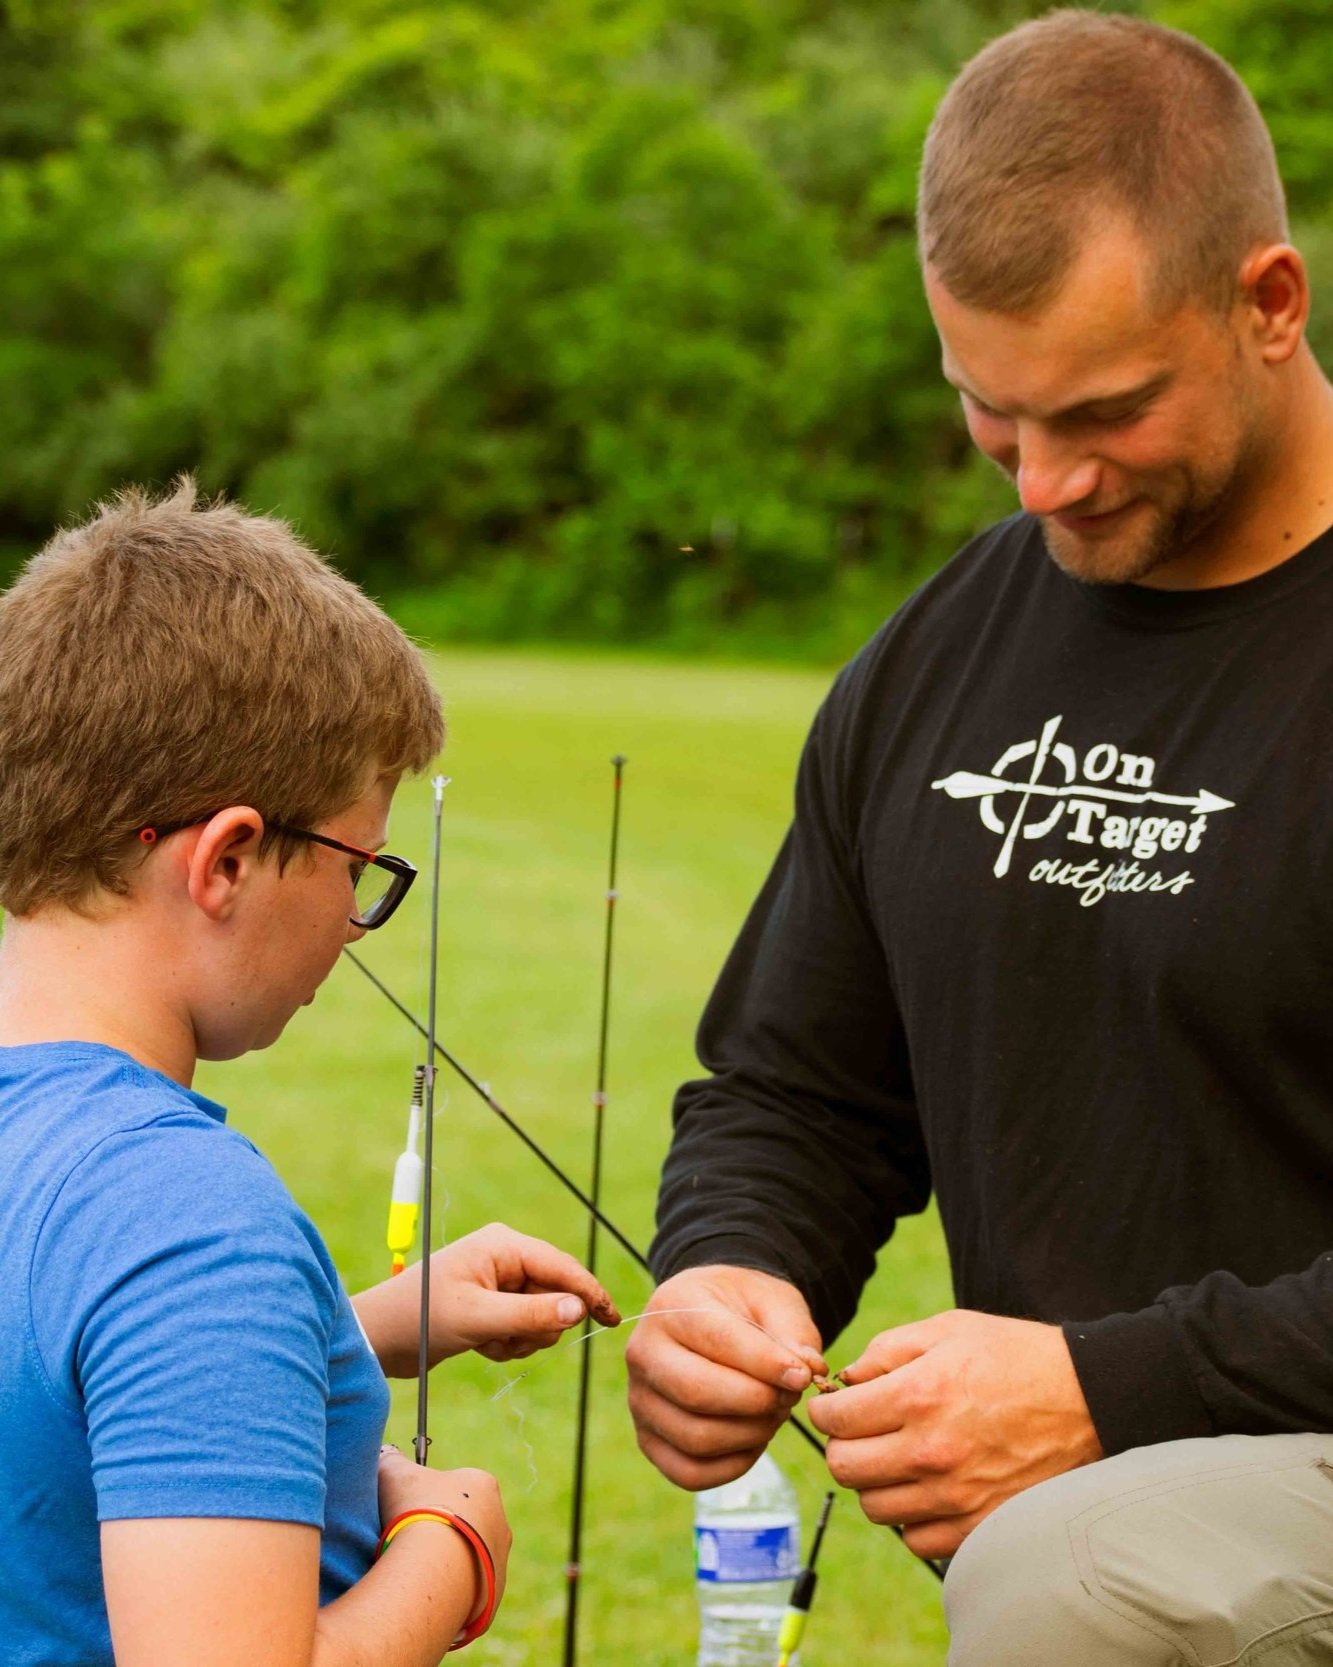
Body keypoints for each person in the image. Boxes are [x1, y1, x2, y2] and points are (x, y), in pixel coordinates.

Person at [626, 11, 1333, 1662]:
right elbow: (797, 1089)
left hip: (1188, 1478)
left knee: (1068, 1581)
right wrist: (729, 1268)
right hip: (1134, 1477)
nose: (1040, 484)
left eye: (1104, 410)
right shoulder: (942, 653)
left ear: (1267, 304)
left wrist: (1106, 1386)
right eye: (988, 411)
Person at [0, 480, 619, 1667]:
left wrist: (346, 1331)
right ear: (229, 859)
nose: (353, 918)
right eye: (356, 865)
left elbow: (52, 1385)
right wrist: (451, 1544)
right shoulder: (188, 1224)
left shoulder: (122, 1215)